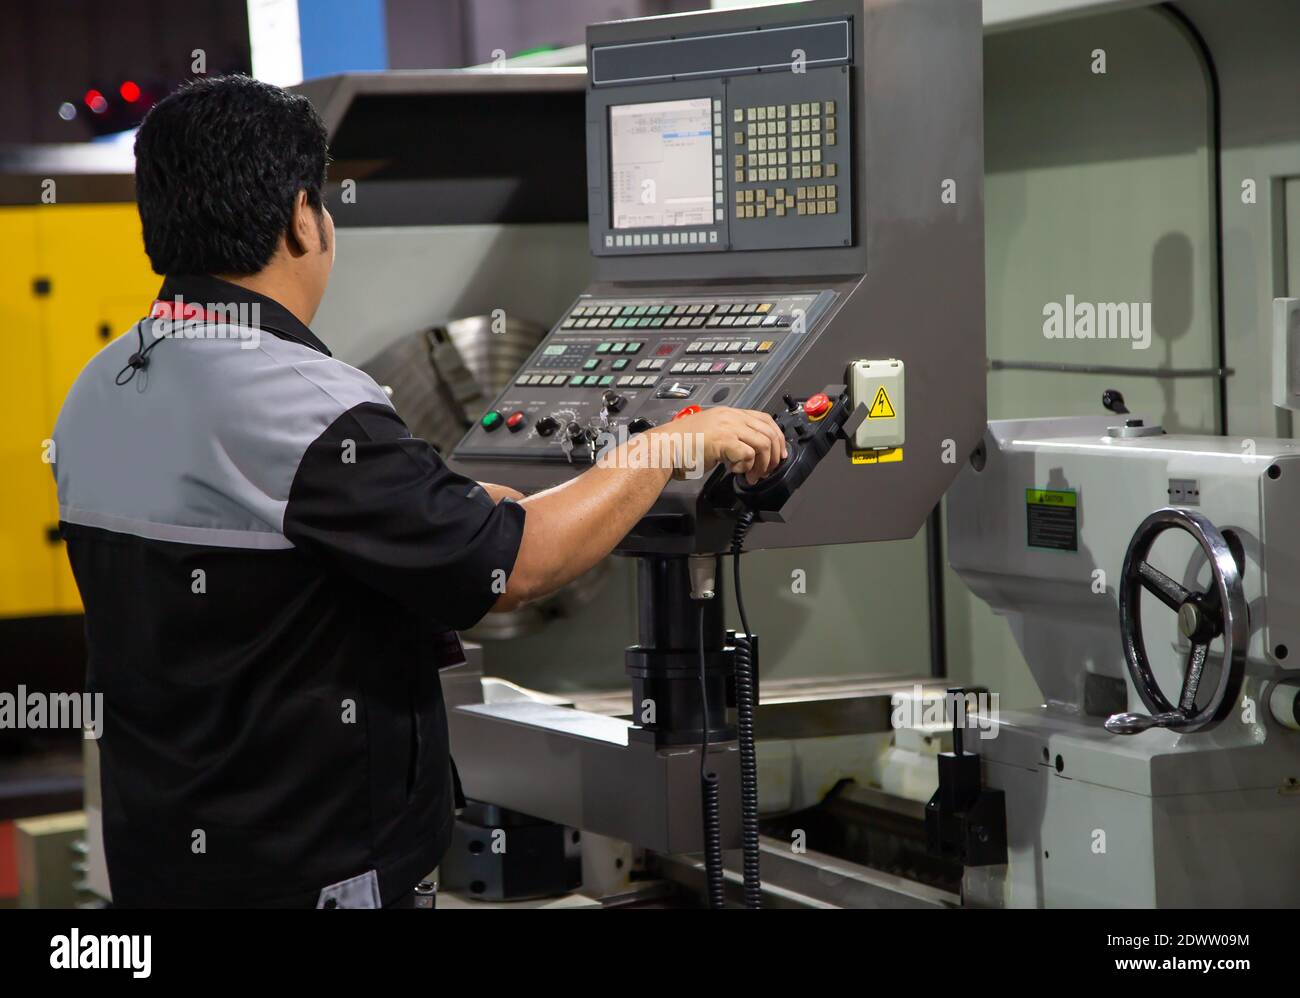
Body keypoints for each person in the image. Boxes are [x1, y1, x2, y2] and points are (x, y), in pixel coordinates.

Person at [51, 75, 786, 907]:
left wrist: (485, 498)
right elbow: (517, 568)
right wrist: (669, 445)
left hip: (164, 866)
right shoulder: (298, 401)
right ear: (302, 217)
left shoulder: (100, 388)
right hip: (314, 876)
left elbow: (315, 526)